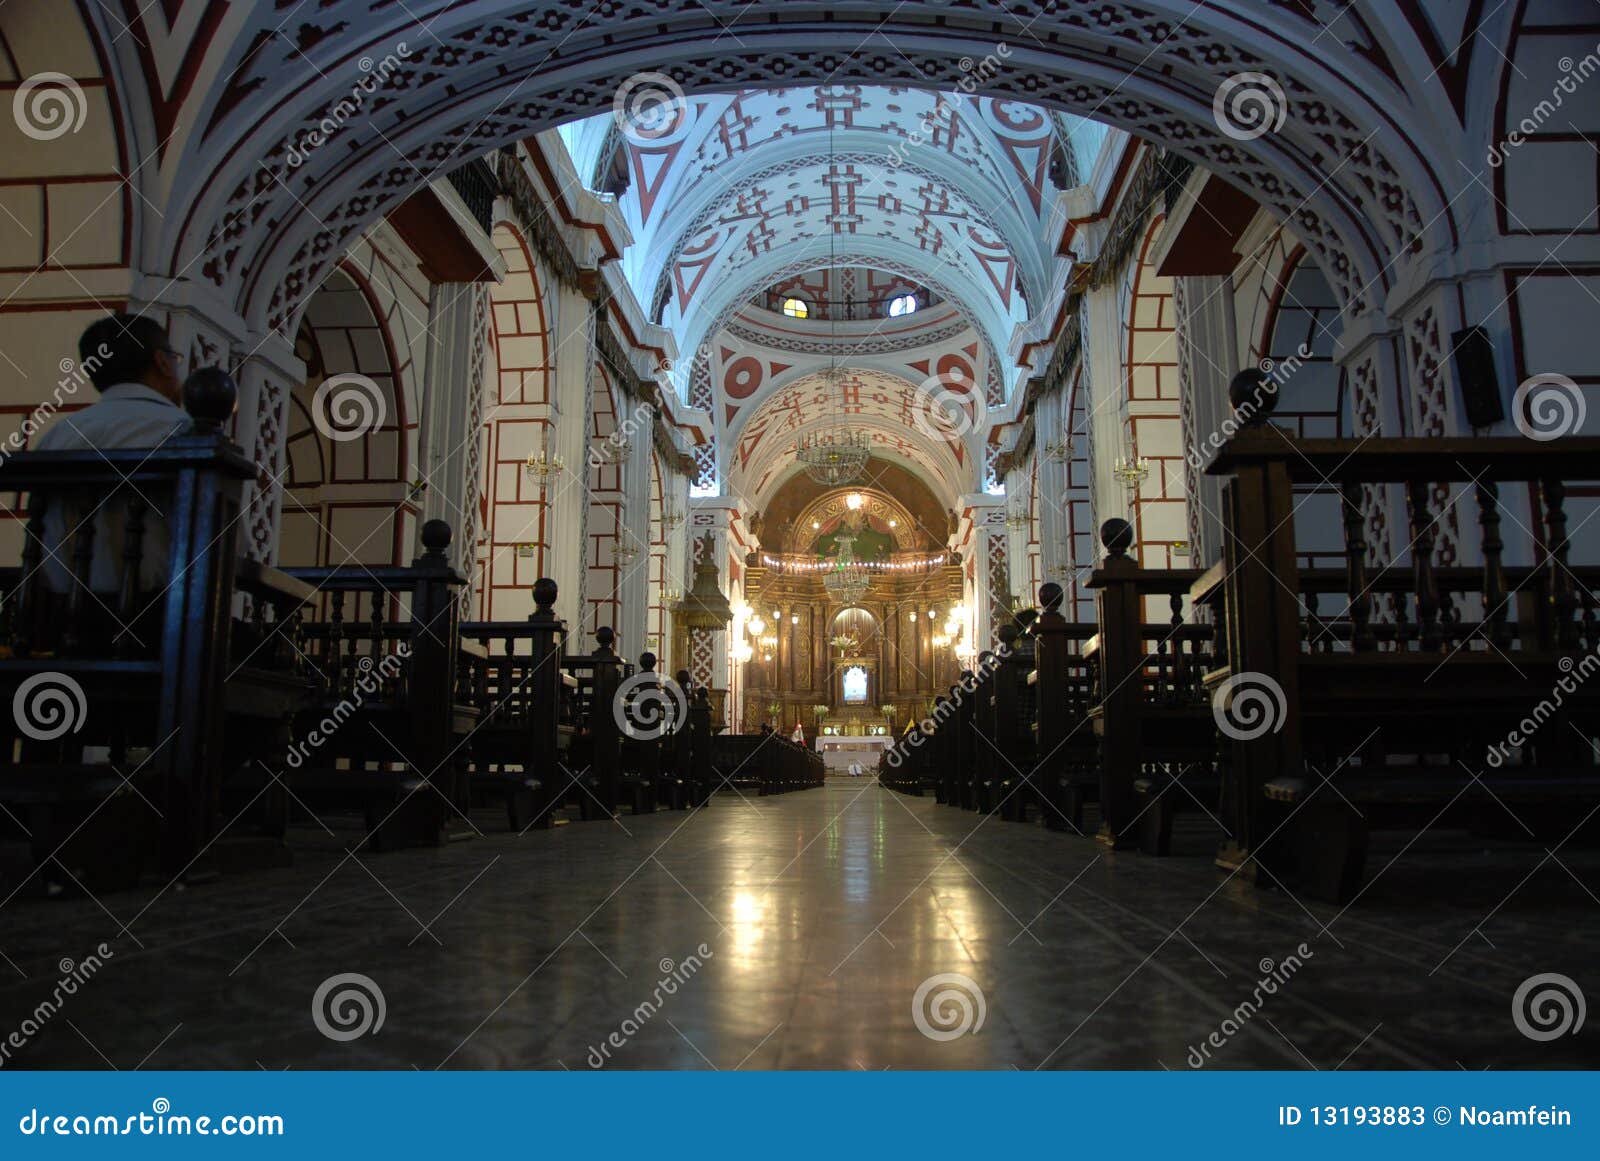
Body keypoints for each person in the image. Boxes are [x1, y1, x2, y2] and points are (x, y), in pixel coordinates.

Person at [34, 314, 191, 597]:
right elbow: (226, 542)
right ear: (162, 362)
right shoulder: (186, 432)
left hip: (64, 617)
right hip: (161, 621)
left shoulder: (58, 436)